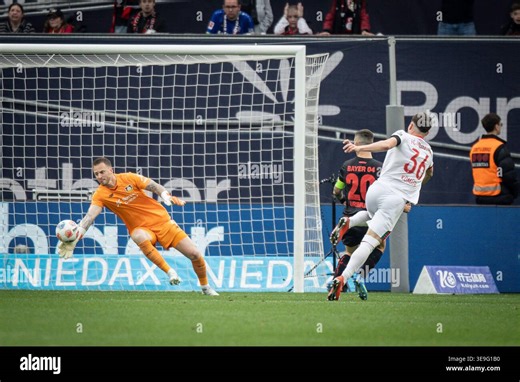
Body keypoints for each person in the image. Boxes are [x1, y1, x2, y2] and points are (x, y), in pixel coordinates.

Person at [57, 157, 219, 296]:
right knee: (137, 236)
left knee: (195, 254)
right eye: (96, 174)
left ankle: (205, 287)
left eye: (102, 172)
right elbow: (90, 217)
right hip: (143, 229)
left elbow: (154, 186)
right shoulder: (100, 194)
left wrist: (165, 195)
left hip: (162, 222)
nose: (99, 176)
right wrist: (76, 237)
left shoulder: (129, 178)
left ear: (111, 170)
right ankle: (170, 272)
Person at [328, 112, 434, 301]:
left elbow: (387, 144)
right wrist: (412, 188)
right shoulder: (428, 152)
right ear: (427, 132)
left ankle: (350, 222)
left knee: (370, 214)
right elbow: (429, 174)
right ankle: (344, 278)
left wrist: (358, 147)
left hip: (375, 191)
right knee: (371, 243)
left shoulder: (402, 135)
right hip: (395, 198)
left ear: (411, 125)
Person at [469, 113, 519, 205]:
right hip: (500, 197)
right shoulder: (499, 147)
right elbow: (508, 175)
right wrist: (515, 192)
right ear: (496, 126)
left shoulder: (475, 148)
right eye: (501, 124)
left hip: (480, 197)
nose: (500, 127)